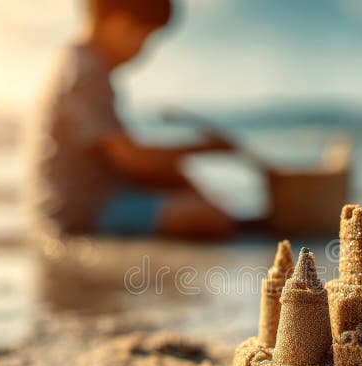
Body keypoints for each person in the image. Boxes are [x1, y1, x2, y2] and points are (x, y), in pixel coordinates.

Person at [26, 0, 237, 240]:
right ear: (120, 24)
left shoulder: (79, 62)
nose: (144, 51)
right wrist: (206, 147)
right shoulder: (88, 73)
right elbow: (132, 158)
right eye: (145, 38)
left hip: (87, 199)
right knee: (209, 218)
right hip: (83, 210)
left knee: (177, 181)